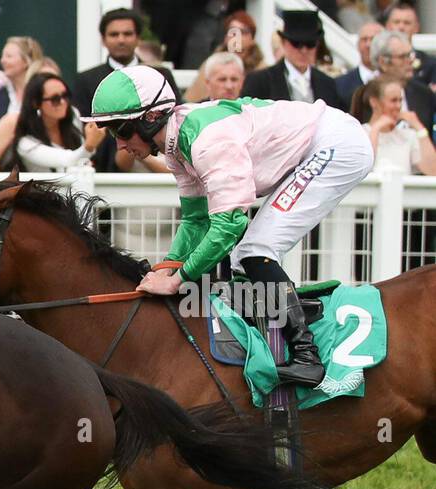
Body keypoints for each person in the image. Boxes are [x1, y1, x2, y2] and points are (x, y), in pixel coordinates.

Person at [90, 64, 375, 387]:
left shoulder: (207, 141)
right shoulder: (176, 146)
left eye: (122, 131)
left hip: (337, 145)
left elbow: (228, 226)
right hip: (319, 142)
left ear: (152, 117)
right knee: (246, 257)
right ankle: (288, 318)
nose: (120, 144)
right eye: (113, 133)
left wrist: (178, 279)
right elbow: (197, 220)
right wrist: (167, 267)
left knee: (254, 250)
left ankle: (307, 357)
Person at [72, 9, 179, 119]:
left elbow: (175, 118)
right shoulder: (85, 81)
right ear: (103, 40)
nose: (121, 40)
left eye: (127, 34)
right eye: (114, 34)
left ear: (138, 38)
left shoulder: (160, 75)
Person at [3, 73, 105, 174]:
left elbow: (84, 162)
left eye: (65, 96)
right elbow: (67, 160)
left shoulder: (73, 124)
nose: (63, 102)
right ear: (36, 103)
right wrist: (89, 146)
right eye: (55, 99)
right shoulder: (25, 144)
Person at [241, 10, 344, 109]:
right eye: (296, 44)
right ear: (283, 43)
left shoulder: (328, 84)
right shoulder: (259, 81)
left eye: (310, 44)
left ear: (317, 45)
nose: (303, 51)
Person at [353, 76, 436, 174]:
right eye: (393, 100)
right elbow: (362, 167)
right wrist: (376, 129)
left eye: (400, 100)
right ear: (374, 102)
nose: (398, 106)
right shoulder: (358, 133)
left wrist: (419, 127)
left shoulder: (408, 135)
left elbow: (433, 171)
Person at [184, 11, 265, 102]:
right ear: (225, 37)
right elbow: (191, 103)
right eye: (232, 32)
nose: (236, 37)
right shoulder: (211, 65)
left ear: (252, 38)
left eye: (243, 32)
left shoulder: (263, 71)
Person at [0, 36, 43, 144]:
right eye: (2, 56)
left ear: (26, 61)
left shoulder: (42, 94)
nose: (2, 61)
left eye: (9, 56)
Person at [371, 29, 435, 134]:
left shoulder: (423, 93)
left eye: (410, 55)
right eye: (402, 57)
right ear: (383, 62)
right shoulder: (363, 94)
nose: (410, 61)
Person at [336, 21, 384, 106]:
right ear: (358, 45)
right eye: (364, 39)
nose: (368, 45)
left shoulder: (395, 80)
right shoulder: (340, 84)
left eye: (373, 39)